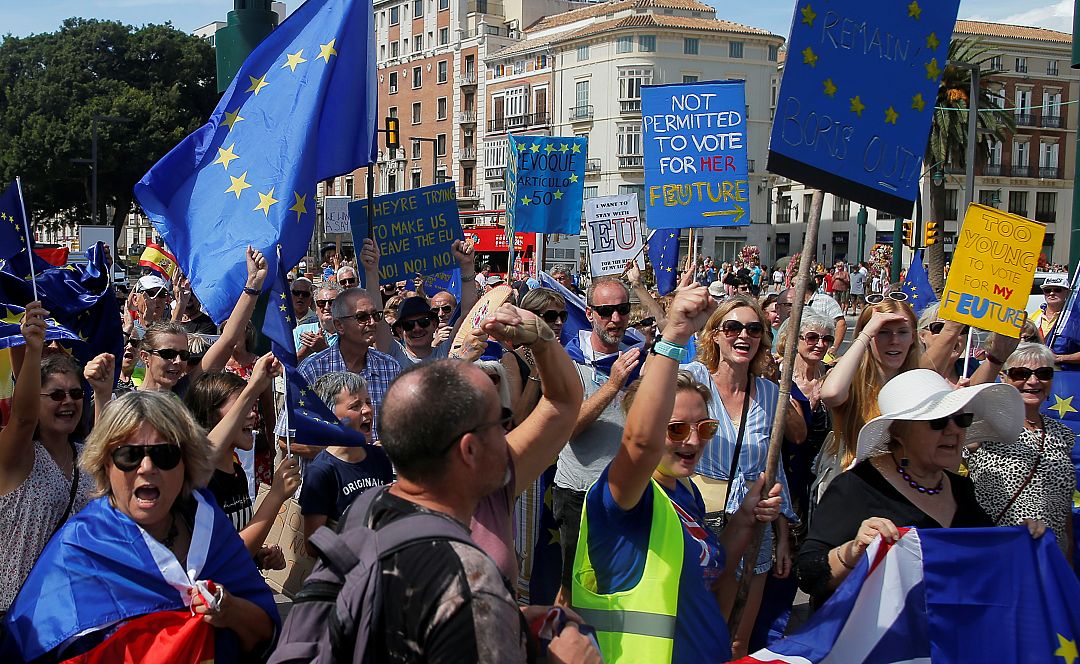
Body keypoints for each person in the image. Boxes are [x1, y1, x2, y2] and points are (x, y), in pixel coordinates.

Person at [342, 332, 595, 660]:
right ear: (470, 449)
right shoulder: (468, 579)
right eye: (500, 421)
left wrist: (541, 339)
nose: (508, 432)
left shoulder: (366, 510)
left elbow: (561, 404)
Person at [572, 283, 784, 662]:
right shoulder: (621, 498)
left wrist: (745, 518)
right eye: (675, 429)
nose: (692, 441)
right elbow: (639, 443)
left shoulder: (685, 492)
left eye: (705, 428)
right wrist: (673, 336)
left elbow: (713, 577)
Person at [4, 391, 279, 661]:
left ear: (186, 463)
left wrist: (230, 610)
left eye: (165, 454)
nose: (147, 467)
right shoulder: (78, 548)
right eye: (128, 455)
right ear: (105, 465)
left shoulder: (209, 526)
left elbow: (265, 632)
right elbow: (27, 648)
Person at [795, 369, 1045, 606]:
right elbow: (809, 574)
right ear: (900, 431)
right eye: (938, 421)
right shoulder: (856, 486)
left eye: (962, 419)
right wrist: (855, 550)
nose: (954, 431)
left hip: (947, 640)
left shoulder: (962, 489)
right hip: (885, 646)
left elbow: (988, 558)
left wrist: (1020, 540)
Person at [680, 295, 803, 657]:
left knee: (736, 638)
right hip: (697, 518)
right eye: (732, 327)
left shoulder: (770, 394)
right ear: (714, 334)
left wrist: (782, 535)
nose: (742, 336)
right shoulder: (692, 380)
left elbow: (773, 465)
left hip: (754, 524)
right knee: (692, 627)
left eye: (753, 329)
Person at [0, 303, 94, 613]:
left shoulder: (84, 458)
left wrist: (103, 393)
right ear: (34, 400)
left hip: (68, 615)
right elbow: (23, 421)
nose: (68, 401)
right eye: (56, 395)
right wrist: (32, 349)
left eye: (75, 393)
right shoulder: (17, 455)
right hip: (13, 616)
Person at [553, 277, 642, 598]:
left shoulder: (637, 361)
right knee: (573, 589)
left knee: (618, 589)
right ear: (589, 313)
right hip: (581, 494)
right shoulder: (568, 360)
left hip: (626, 493)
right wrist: (613, 384)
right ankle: (560, 647)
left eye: (622, 309)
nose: (615, 319)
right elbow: (567, 428)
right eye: (606, 311)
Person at [184, 360, 301, 569]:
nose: (253, 414)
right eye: (243, 407)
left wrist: (259, 555)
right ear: (211, 415)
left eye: (253, 406)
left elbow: (235, 540)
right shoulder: (200, 481)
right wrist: (275, 496)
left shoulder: (235, 469)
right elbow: (231, 555)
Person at [967, 343, 1075, 558]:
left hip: (1050, 557)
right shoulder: (984, 425)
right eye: (1021, 374)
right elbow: (969, 401)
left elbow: (1064, 509)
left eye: (1044, 373)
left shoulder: (1062, 433)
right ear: (1003, 378)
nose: (1033, 381)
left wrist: (1068, 562)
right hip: (1000, 554)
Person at [274, 286, 402, 462]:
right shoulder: (311, 370)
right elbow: (286, 439)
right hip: (330, 485)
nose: (372, 322)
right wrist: (342, 454)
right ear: (339, 325)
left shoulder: (390, 368)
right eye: (362, 317)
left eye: (375, 315)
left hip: (379, 482)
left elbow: (404, 430)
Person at [819, 298, 921, 478]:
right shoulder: (851, 381)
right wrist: (865, 334)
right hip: (856, 487)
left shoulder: (919, 384)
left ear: (913, 337)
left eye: (903, 332)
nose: (894, 341)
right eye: (883, 332)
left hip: (905, 488)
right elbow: (831, 394)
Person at [300, 372, 394, 546]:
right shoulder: (321, 471)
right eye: (355, 406)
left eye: (367, 402)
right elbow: (312, 545)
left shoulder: (380, 457)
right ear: (330, 416)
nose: (367, 410)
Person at [294, 282, 342, 362]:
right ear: (316, 308)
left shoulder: (350, 334)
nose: (327, 307)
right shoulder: (300, 331)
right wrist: (304, 353)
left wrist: (323, 350)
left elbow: (350, 369)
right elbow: (283, 368)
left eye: (332, 303)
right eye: (321, 303)